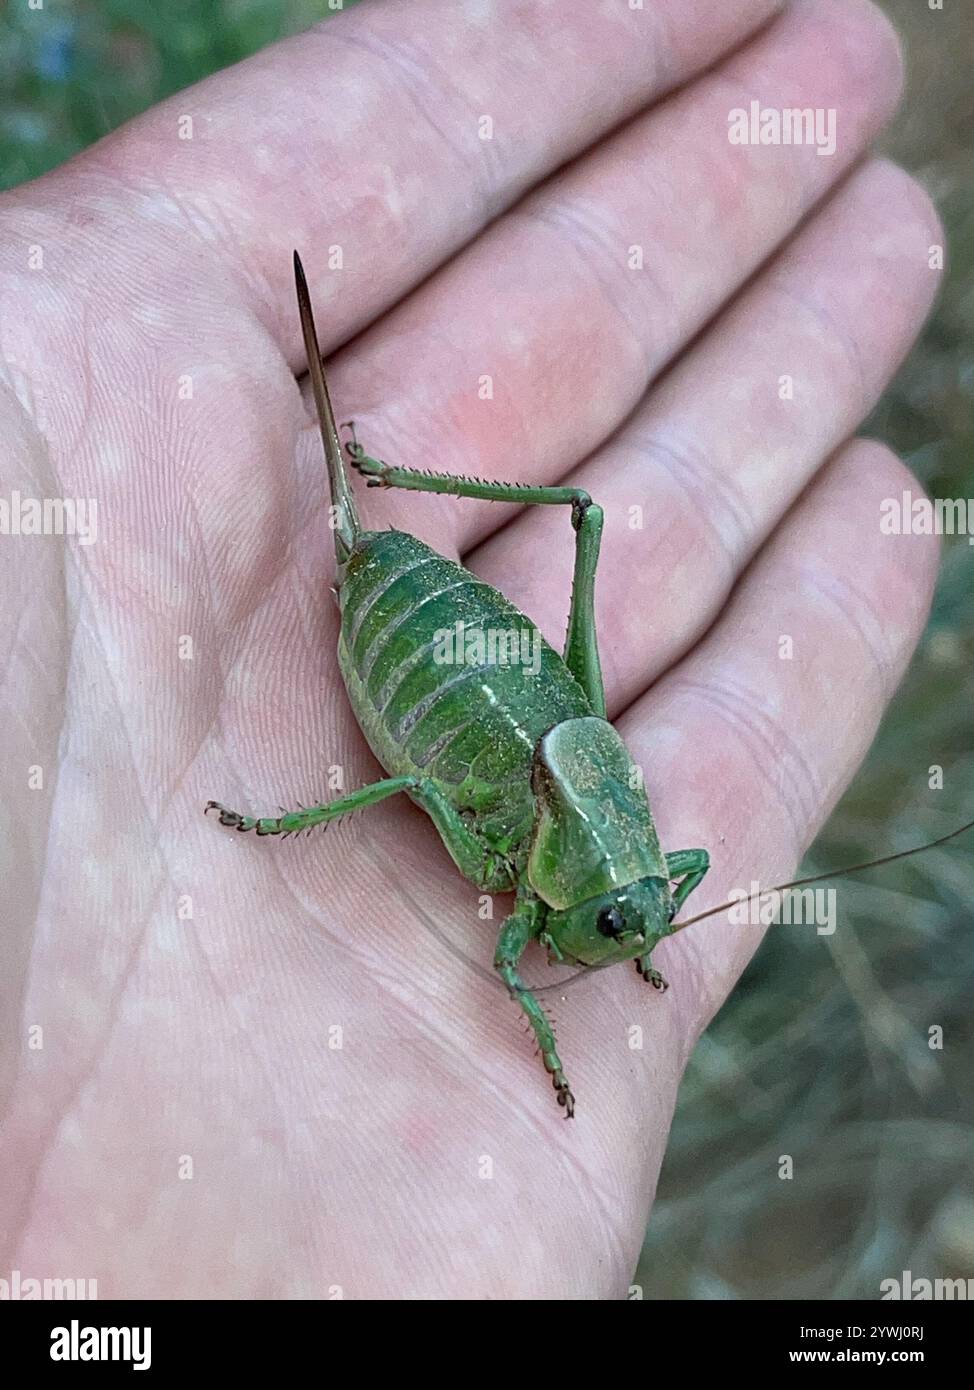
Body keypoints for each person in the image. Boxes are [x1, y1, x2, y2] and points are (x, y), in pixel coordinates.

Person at [0, 0, 942, 1298]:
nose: (621, 938)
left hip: (507, 685)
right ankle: (372, 481)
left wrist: (646, 913)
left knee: (587, 546)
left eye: (631, 921)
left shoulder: (633, 872)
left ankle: (369, 481)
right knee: (568, 546)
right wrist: (289, 832)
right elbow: (452, 854)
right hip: (412, 656)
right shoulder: (522, 900)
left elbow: (684, 860)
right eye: (622, 921)